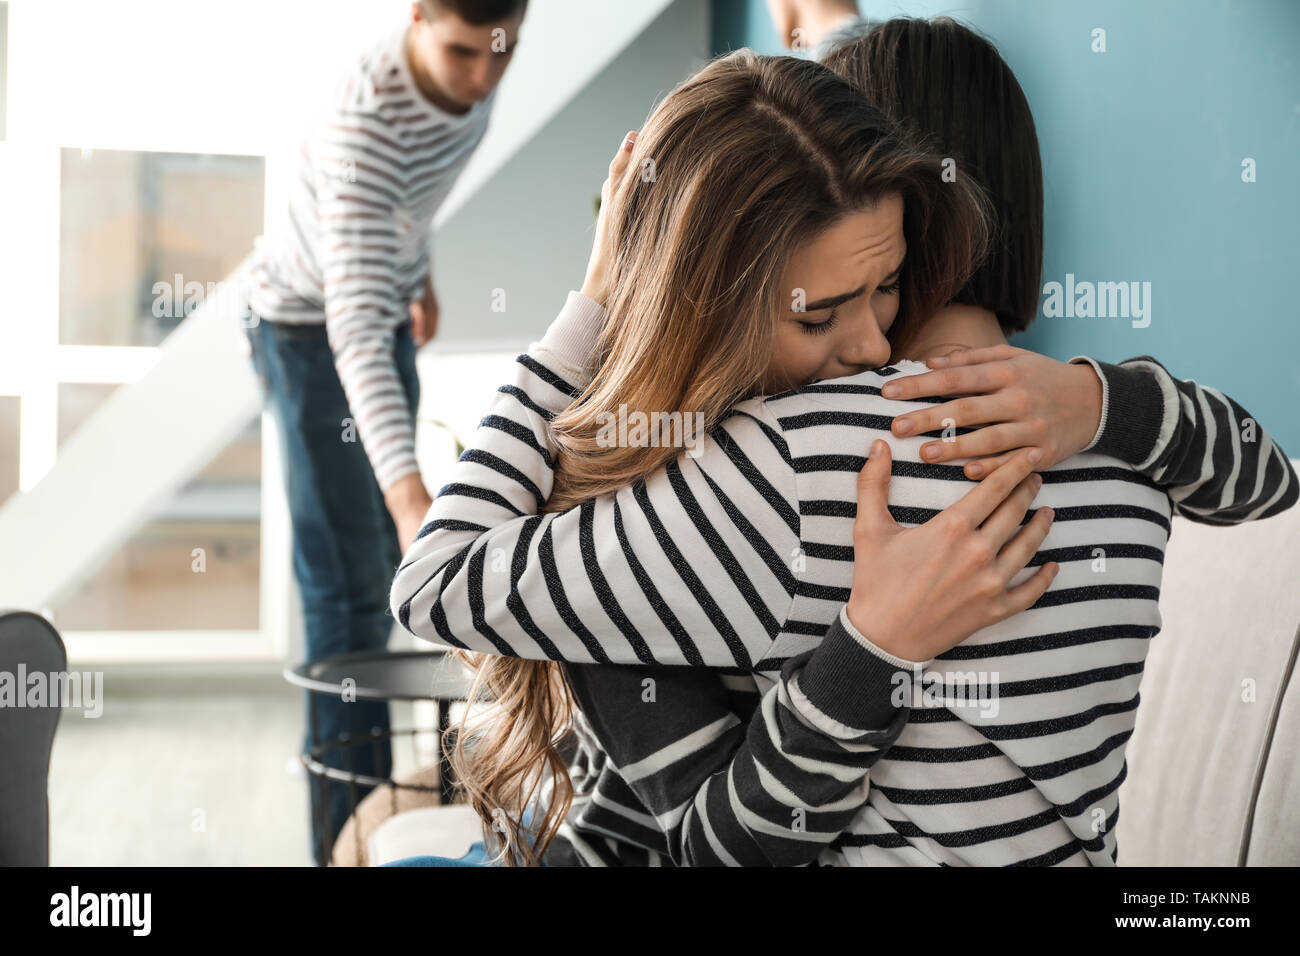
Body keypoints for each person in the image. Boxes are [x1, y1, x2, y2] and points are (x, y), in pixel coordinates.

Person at [389, 48, 1295, 866]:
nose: (868, 347)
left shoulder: (778, 461)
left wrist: (591, 301)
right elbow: (1271, 481)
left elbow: (434, 584)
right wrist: (1104, 401)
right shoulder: (1121, 445)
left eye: (883, 286)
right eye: (819, 314)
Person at [240, 0, 527, 865]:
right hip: (305, 329)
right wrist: (412, 505)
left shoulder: (476, 66)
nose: (483, 76)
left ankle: (382, 827)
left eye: (502, 50)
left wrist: (417, 270)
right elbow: (355, 331)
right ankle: (345, 846)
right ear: (418, 15)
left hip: (380, 303)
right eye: (462, 52)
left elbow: (414, 198)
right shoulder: (363, 125)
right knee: (346, 598)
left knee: (371, 589)